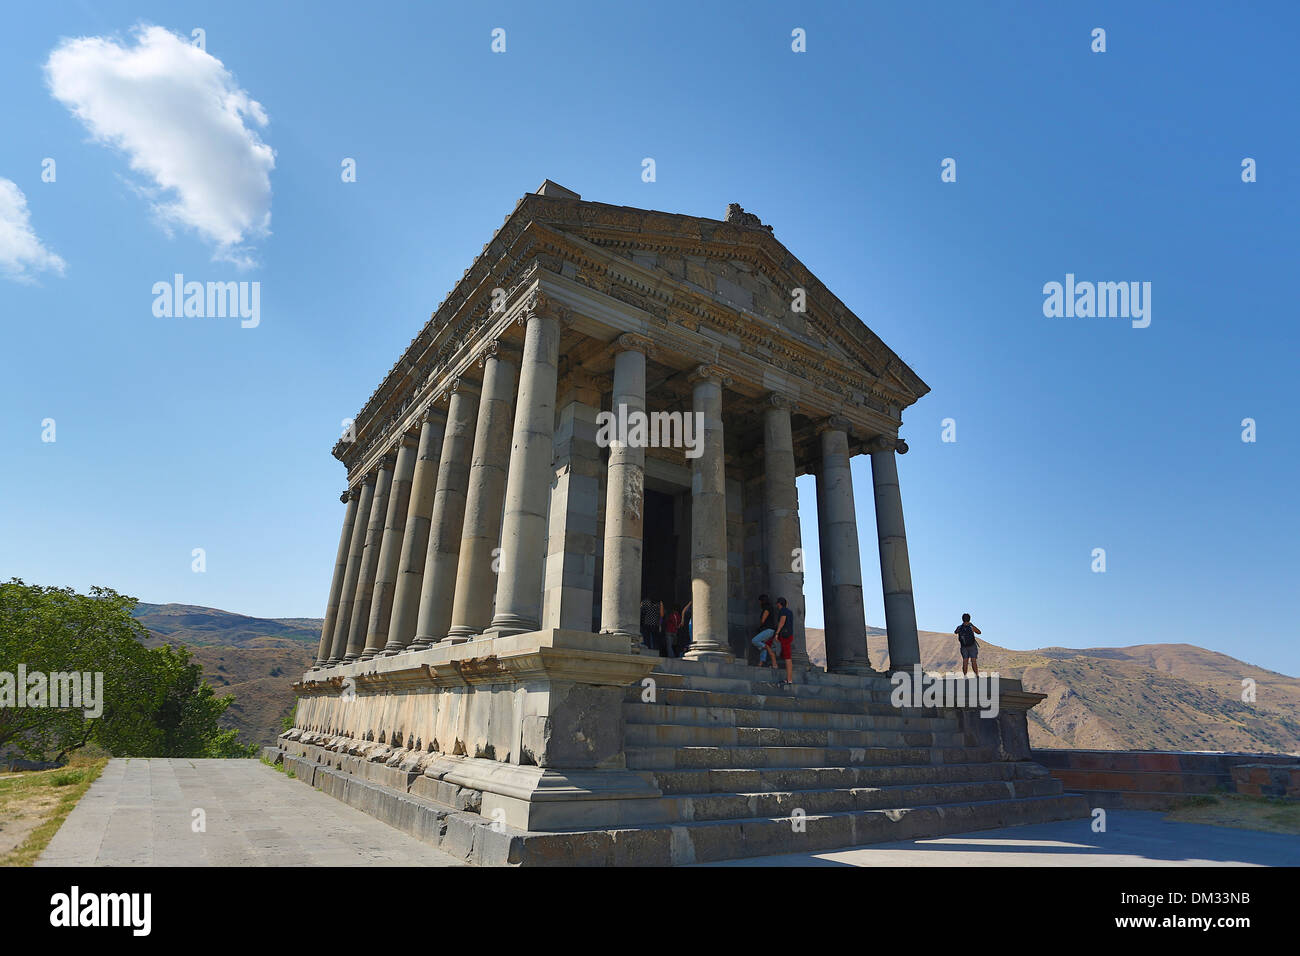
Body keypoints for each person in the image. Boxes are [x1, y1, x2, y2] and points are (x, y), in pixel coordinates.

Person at [749, 594, 778, 669]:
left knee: (754, 640)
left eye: (760, 601)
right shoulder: (770, 607)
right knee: (762, 645)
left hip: (768, 630)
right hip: (770, 630)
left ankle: (769, 650)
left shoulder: (767, 608)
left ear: (762, 601)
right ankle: (761, 663)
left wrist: (760, 626)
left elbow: (763, 620)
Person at [773, 597, 795, 686]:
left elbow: (782, 622)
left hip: (785, 636)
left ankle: (789, 679)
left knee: (787, 658)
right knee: (784, 655)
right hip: (789, 635)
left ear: (779, 604)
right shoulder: (790, 612)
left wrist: (777, 633)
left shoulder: (783, 611)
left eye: (777, 604)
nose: (776, 605)